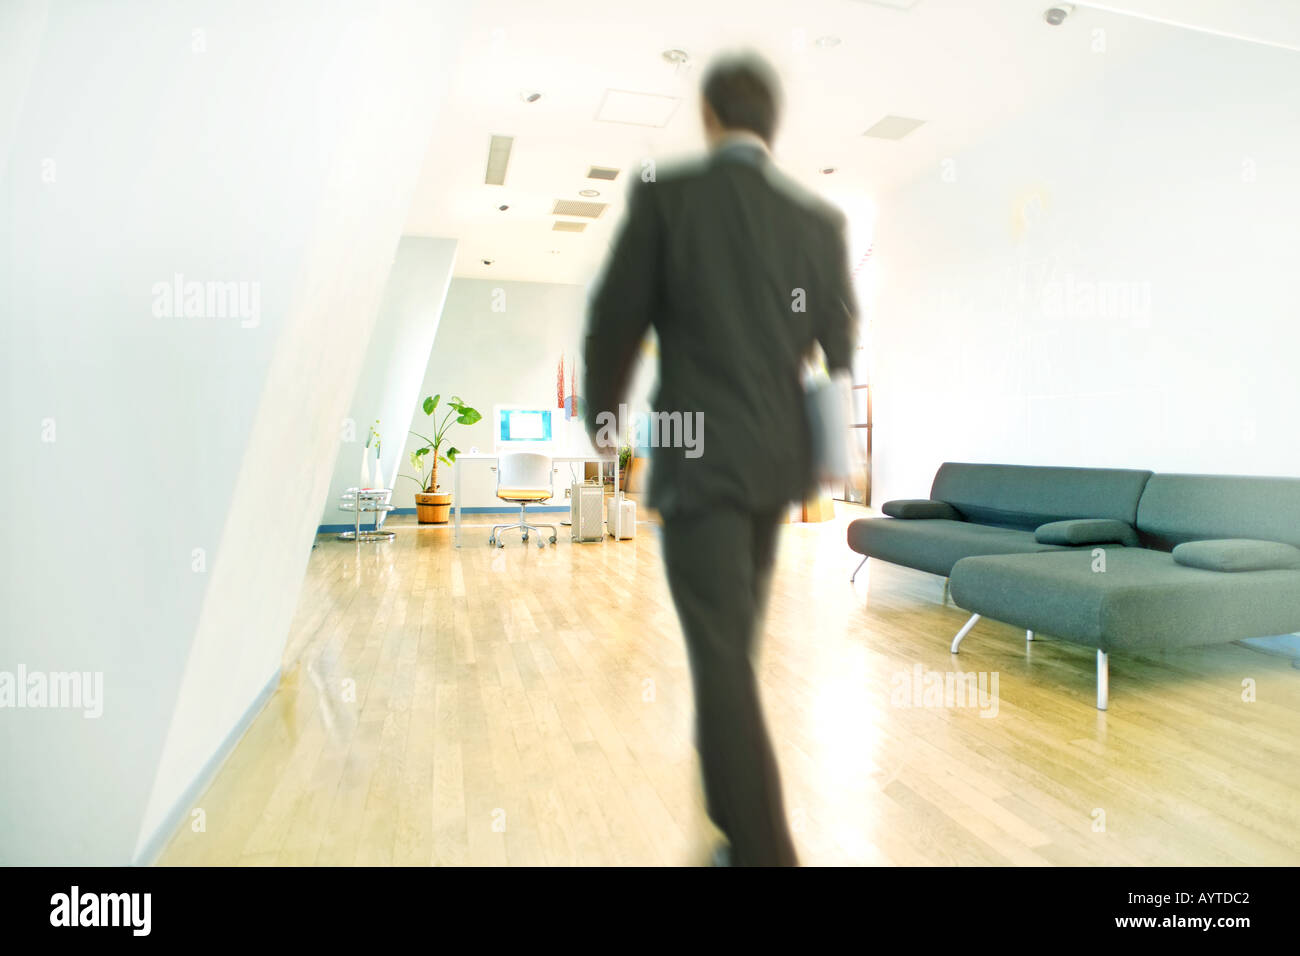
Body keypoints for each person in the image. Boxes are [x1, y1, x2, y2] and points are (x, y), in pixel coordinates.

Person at [582, 51, 857, 866]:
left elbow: (616, 314)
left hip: (696, 456)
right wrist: (832, 451)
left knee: (721, 650)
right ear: (770, 125)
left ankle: (766, 849)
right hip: (776, 461)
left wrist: (603, 419)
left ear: (708, 119)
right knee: (729, 641)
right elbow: (838, 347)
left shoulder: (671, 198)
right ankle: (733, 816)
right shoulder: (818, 223)